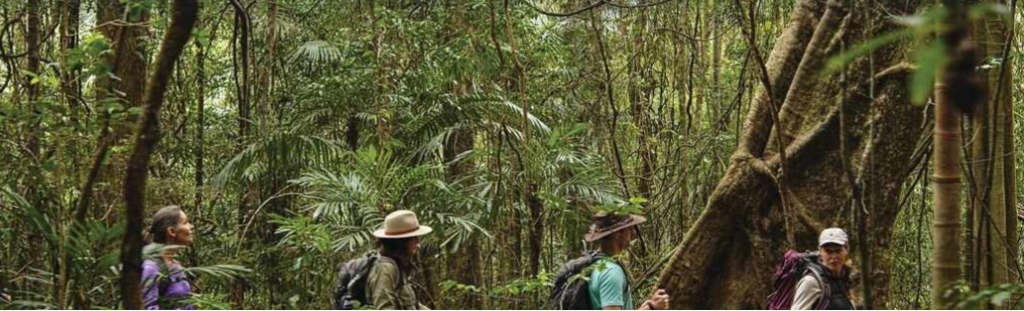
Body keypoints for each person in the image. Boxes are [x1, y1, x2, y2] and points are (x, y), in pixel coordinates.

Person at [584, 213, 670, 310]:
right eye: (629, 229)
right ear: (618, 234)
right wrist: (651, 307)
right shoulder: (611, 272)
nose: (633, 232)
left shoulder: (595, 264)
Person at [367, 210, 432, 310]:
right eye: (414, 239)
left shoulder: (398, 265)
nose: (418, 243)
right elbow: (384, 308)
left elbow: (412, 304)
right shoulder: (385, 268)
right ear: (401, 242)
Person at [141, 206, 195, 310]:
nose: (191, 226)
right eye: (186, 222)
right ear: (172, 231)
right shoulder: (151, 267)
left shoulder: (176, 265)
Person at [791, 228, 855, 310]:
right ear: (820, 252)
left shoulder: (844, 277)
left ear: (846, 249)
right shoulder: (811, 282)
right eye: (828, 252)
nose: (834, 257)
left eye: (838, 251)